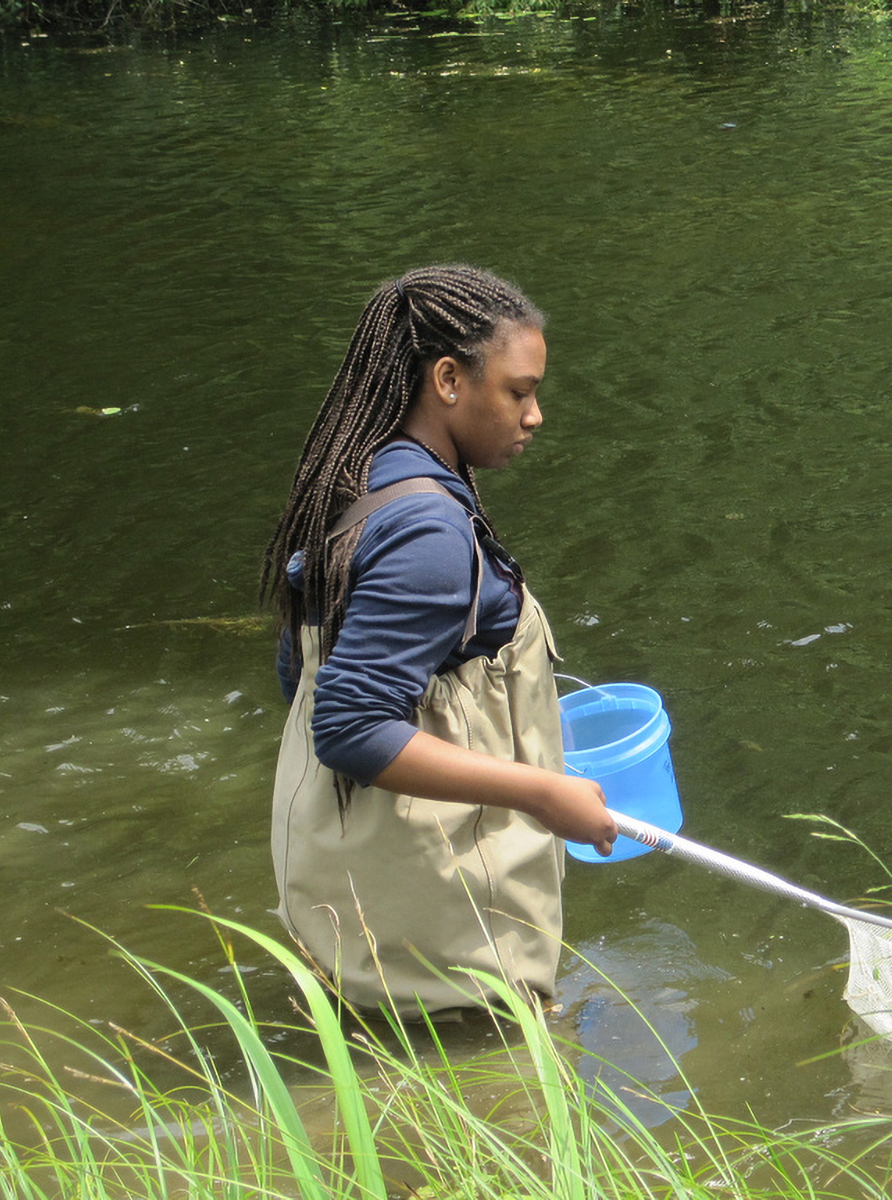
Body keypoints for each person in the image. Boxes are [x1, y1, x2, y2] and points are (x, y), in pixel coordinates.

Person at [261, 264, 618, 1018]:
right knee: (497, 1074)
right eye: (519, 392)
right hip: (438, 934)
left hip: (346, 898)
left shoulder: (354, 480)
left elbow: (302, 674)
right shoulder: (428, 532)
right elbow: (349, 726)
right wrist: (544, 792)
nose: (535, 416)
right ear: (449, 379)